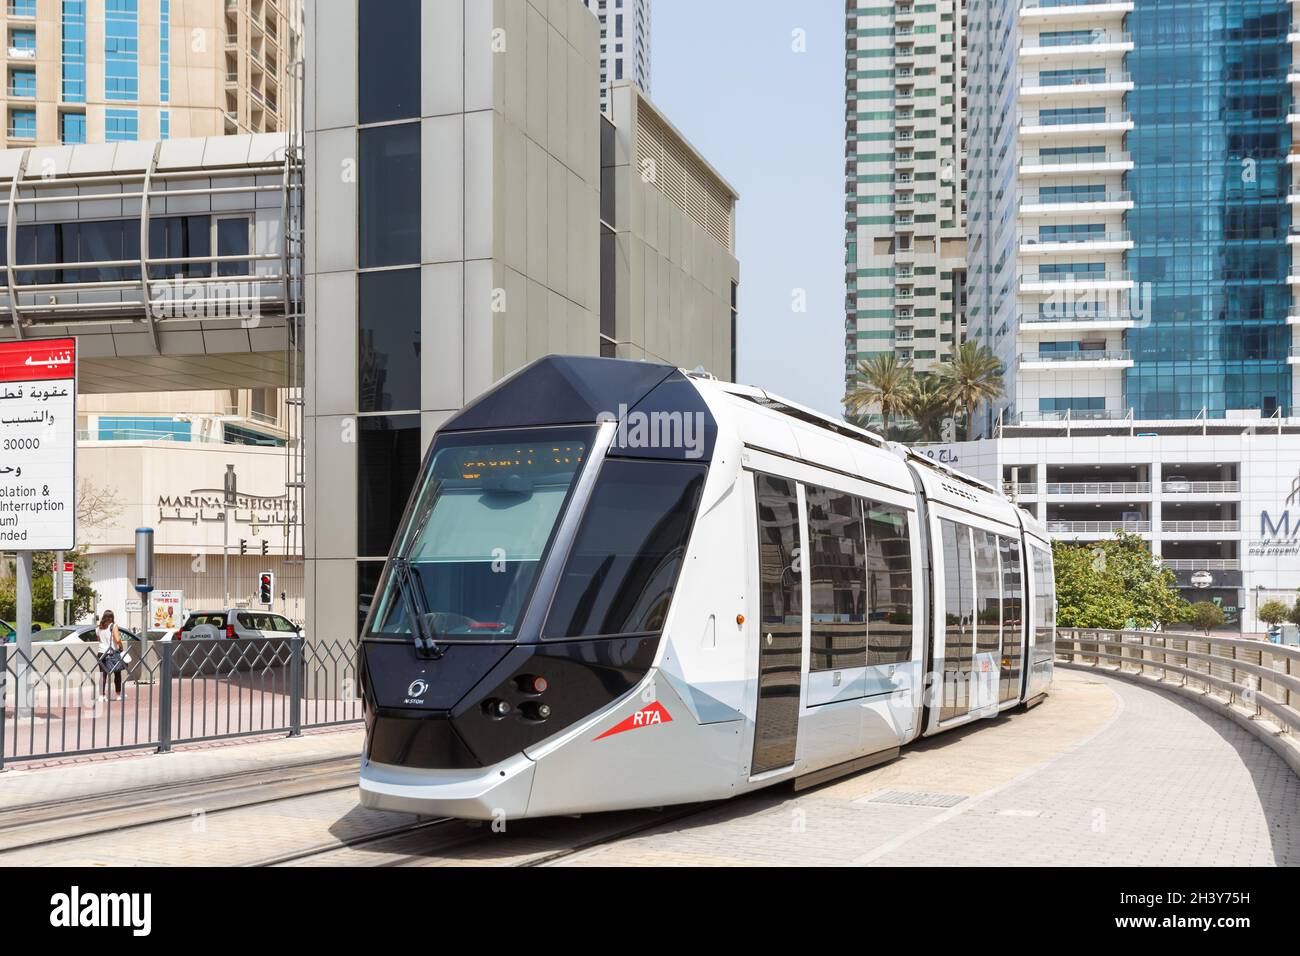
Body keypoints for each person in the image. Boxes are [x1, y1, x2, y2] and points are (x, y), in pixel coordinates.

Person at [95, 609, 126, 701]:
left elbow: (99, 640)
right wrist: (121, 647)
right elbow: (117, 639)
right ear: (112, 617)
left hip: (101, 652)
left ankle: (102, 696)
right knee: (117, 673)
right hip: (112, 653)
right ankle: (118, 695)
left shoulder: (98, 628)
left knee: (103, 674)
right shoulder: (113, 626)